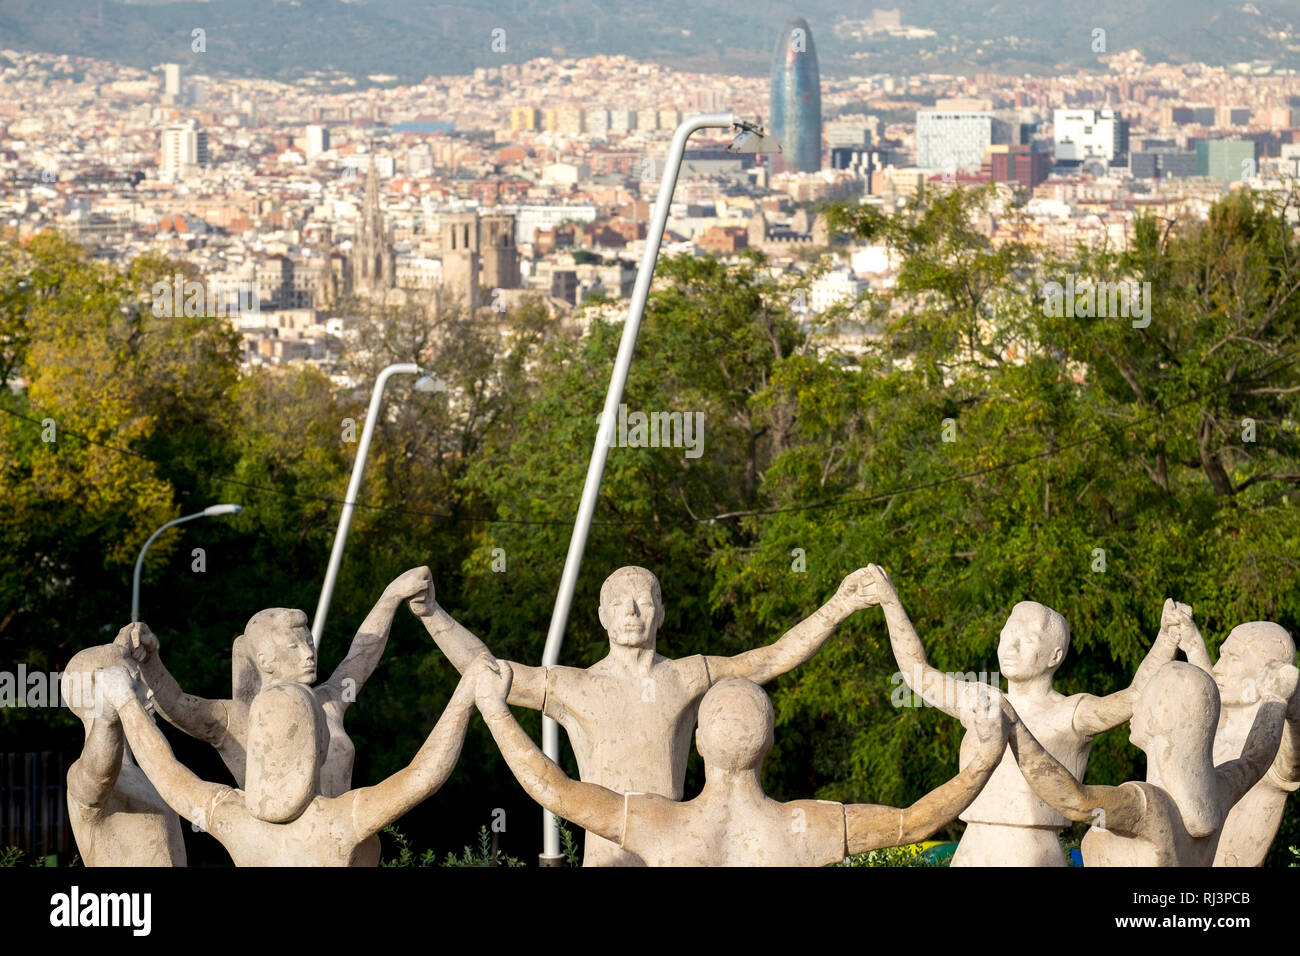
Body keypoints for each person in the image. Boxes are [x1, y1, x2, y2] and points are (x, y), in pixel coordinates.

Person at [412, 564, 880, 865]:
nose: (632, 612)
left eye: (643, 601)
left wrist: (841, 605)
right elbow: (487, 670)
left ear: (661, 613)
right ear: (602, 616)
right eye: (619, 602)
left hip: (675, 854)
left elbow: (771, 659)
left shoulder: (686, 676)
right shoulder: (575, 685)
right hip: (606, 857)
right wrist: (432, 613)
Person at [472, 656, 1010, 866]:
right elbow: (917, 820)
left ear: (700, 741)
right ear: (770, 743)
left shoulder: (659, 823)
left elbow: (554, 789)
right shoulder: (808, 827)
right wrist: (984, 757)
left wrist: (496, 711)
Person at [858, 564, 1185, 866]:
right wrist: (890, 601)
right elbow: (917, 674)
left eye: (1025, 640)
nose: (1009, 647)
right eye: (1005, 636)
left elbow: (1133, 698)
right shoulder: (980, 701)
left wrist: (1167, 638)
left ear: (1054, 655)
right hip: (971, 851)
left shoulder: (1070, 713)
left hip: (1032, 854)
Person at [95, 655, 478, 867]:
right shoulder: (343, 820)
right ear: (319, 747)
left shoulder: (232, 816)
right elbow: (423, 776)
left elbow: (168, 773)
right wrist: (465, 695)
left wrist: (126, 702)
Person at [128, 566, 432, 798]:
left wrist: (390, 597)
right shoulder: (240, 718)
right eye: (293, 647)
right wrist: (149, 660)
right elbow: (179, 705)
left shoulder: (327, 701)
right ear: (266, 660)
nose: (308, 654)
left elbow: (362, 656)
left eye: (308, 642)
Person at [1007, 659, 1298, 866]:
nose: (1135, 707)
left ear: (1161, 717)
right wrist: (1275, 698)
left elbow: (1075, 800)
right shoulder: (1219, 790)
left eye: (1144, 699)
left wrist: (1014, 728)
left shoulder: (1146, 804)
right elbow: (1256, 758)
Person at [1169, 607, 1300, 866]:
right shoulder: (1220, 724)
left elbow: (1292, 764)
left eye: (1234, 658)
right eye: (1222, 656)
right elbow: (1210, 694)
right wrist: (1193, 643)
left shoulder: (1272, 745)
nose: (1219, 669)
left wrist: (1291, 701)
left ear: (1267, 673)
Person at [61, 630, 186, 866]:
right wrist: (108, 711)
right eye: (134, 682)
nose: (149, 692)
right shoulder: (82, 773)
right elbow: (98, 776)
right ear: (104, 689)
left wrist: (138, 651)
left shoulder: (143, 774)